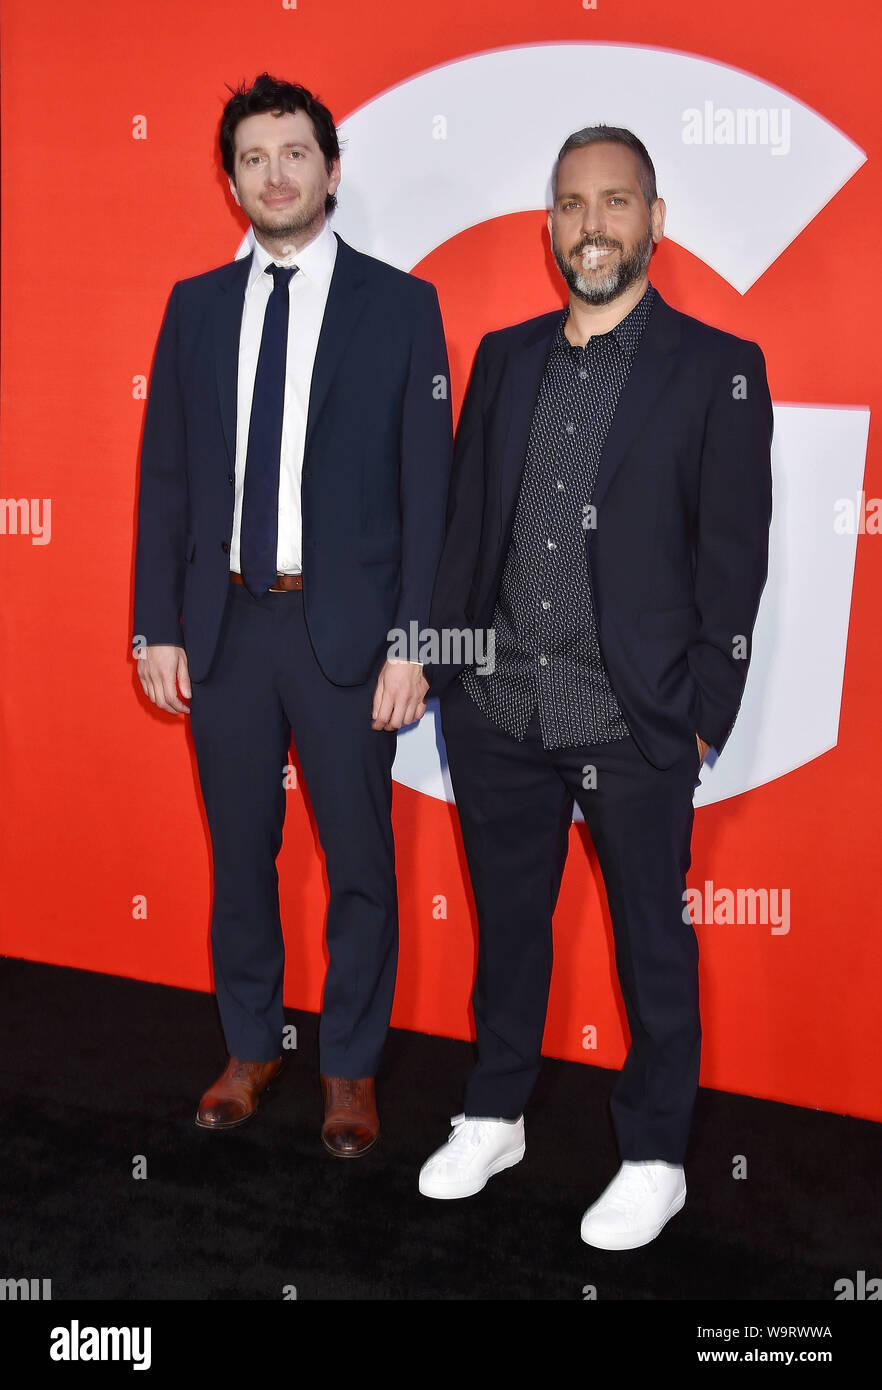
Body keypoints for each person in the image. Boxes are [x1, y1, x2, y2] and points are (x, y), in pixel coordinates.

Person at [419, 126, 772, 1246]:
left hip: (634, 717)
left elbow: (735, 557)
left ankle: (657, 1149)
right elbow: (469, 530)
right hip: (501, 710)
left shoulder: (719, 366)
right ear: (549, 227)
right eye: (573, 205)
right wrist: (448, 674)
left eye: (616, 202)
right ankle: (494, 1110)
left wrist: (706, 715)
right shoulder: (507, 356)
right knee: (510, 928)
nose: (593, 225)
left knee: (650, 943)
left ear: (654, 221)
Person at [132, 73, 452, 1156]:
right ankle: (253, 1043)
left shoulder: (403, 308)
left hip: (347, 635)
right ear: (231, 181)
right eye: (255, 157)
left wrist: (417, 640)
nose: (276, 173)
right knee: (241, 853)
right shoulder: (194, 306)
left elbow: (430, 489)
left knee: (360, 861)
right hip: (222, 629)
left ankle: (351, 1069)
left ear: (332, 170)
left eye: (296, 153)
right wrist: (156, 623)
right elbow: (166, 478)